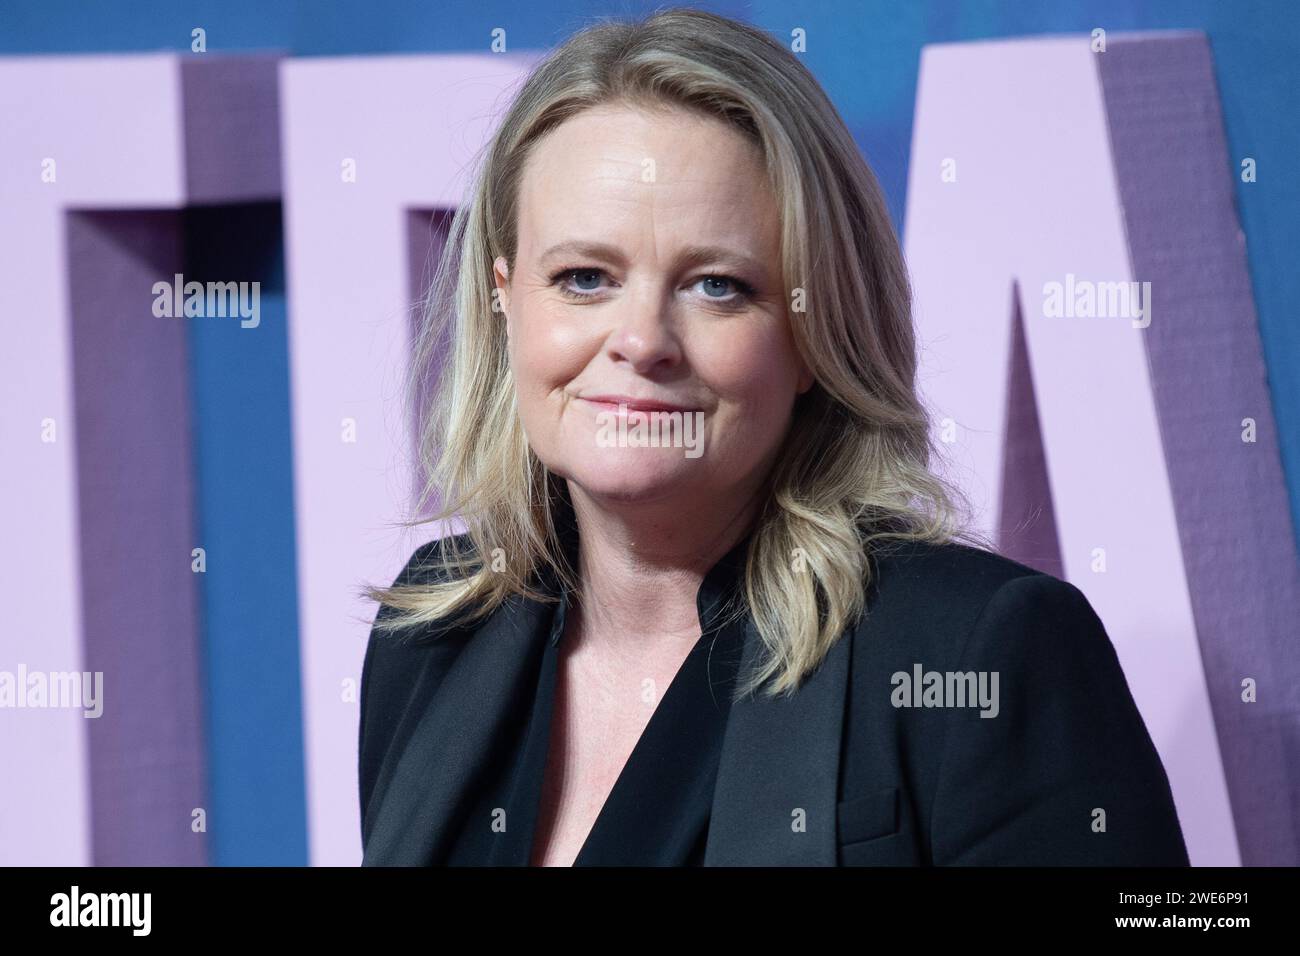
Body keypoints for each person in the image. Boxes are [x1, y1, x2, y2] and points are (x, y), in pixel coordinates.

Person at [357, 7, 1189, 867]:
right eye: (583, 278)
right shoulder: (435, 632)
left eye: (716, 285)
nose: (642, 340)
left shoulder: (983, 648)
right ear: (506, 297)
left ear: (812, 327)